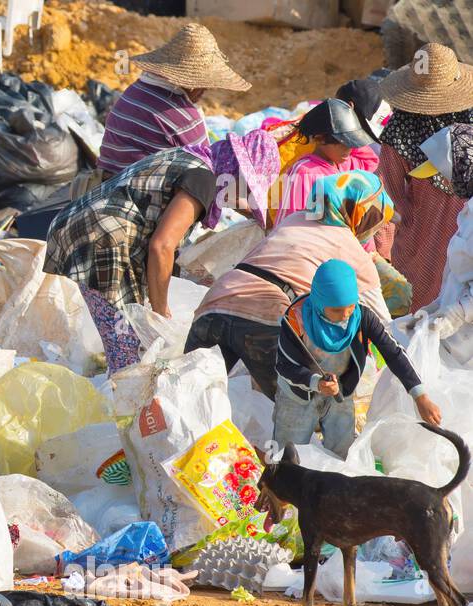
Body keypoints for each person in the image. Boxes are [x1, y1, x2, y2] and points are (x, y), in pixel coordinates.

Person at [43, 130, 279, 374]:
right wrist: (160, 311)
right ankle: (122, 405)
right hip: (103, 242)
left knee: (129, 338)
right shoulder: (203, 179)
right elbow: (162, 246)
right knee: (127, 349)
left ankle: (122, 397)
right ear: (233, 172)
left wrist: (260, 218)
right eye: (245, 188)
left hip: (91, 232)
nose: (239, 198)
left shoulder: (194, 159)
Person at [187, 172, 394, 399]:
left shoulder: (295, 219)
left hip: (215, 302)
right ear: (360, 212)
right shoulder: (353, 252)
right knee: (298, 411)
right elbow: (384, 326)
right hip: (264, 316)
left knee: (191, 399)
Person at [274, 259, 441, 459]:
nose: (345, 315)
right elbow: (285, 365)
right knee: (288, 458)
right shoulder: (296, 318)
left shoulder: (361, 317)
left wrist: (419, 395)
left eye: (350, 306)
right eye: (336, 309)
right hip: (298, 396)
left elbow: (394, 353)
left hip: (340, 394)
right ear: (319, 301)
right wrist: (316, 382)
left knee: (342, 456)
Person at [375, 43, 473, 312]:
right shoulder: (400, 131)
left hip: (448, 237)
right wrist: (381, 254)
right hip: (422, 244)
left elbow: (387, 197)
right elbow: (386, 199)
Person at [97, 23, 250, 177]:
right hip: (139, 196)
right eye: (204, 85)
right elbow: (205, 176)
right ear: (191, 83)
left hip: (103, 185)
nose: (206, 90)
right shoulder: (185, 118)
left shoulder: (134, 91)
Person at [396, 124, 473, 363]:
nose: (441, 180)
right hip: (458, 342)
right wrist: (435, 308)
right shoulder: (467, 211)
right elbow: (457, 275)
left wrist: (458, 313)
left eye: (444, 173)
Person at [271, 99, 379, 228]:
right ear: (319, 138)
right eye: (344, 143)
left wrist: (351, 123)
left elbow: (370, 162)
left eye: (352, 144)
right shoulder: (305, 172)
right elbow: (290, 224)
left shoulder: (342, 163)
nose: (349, 149)